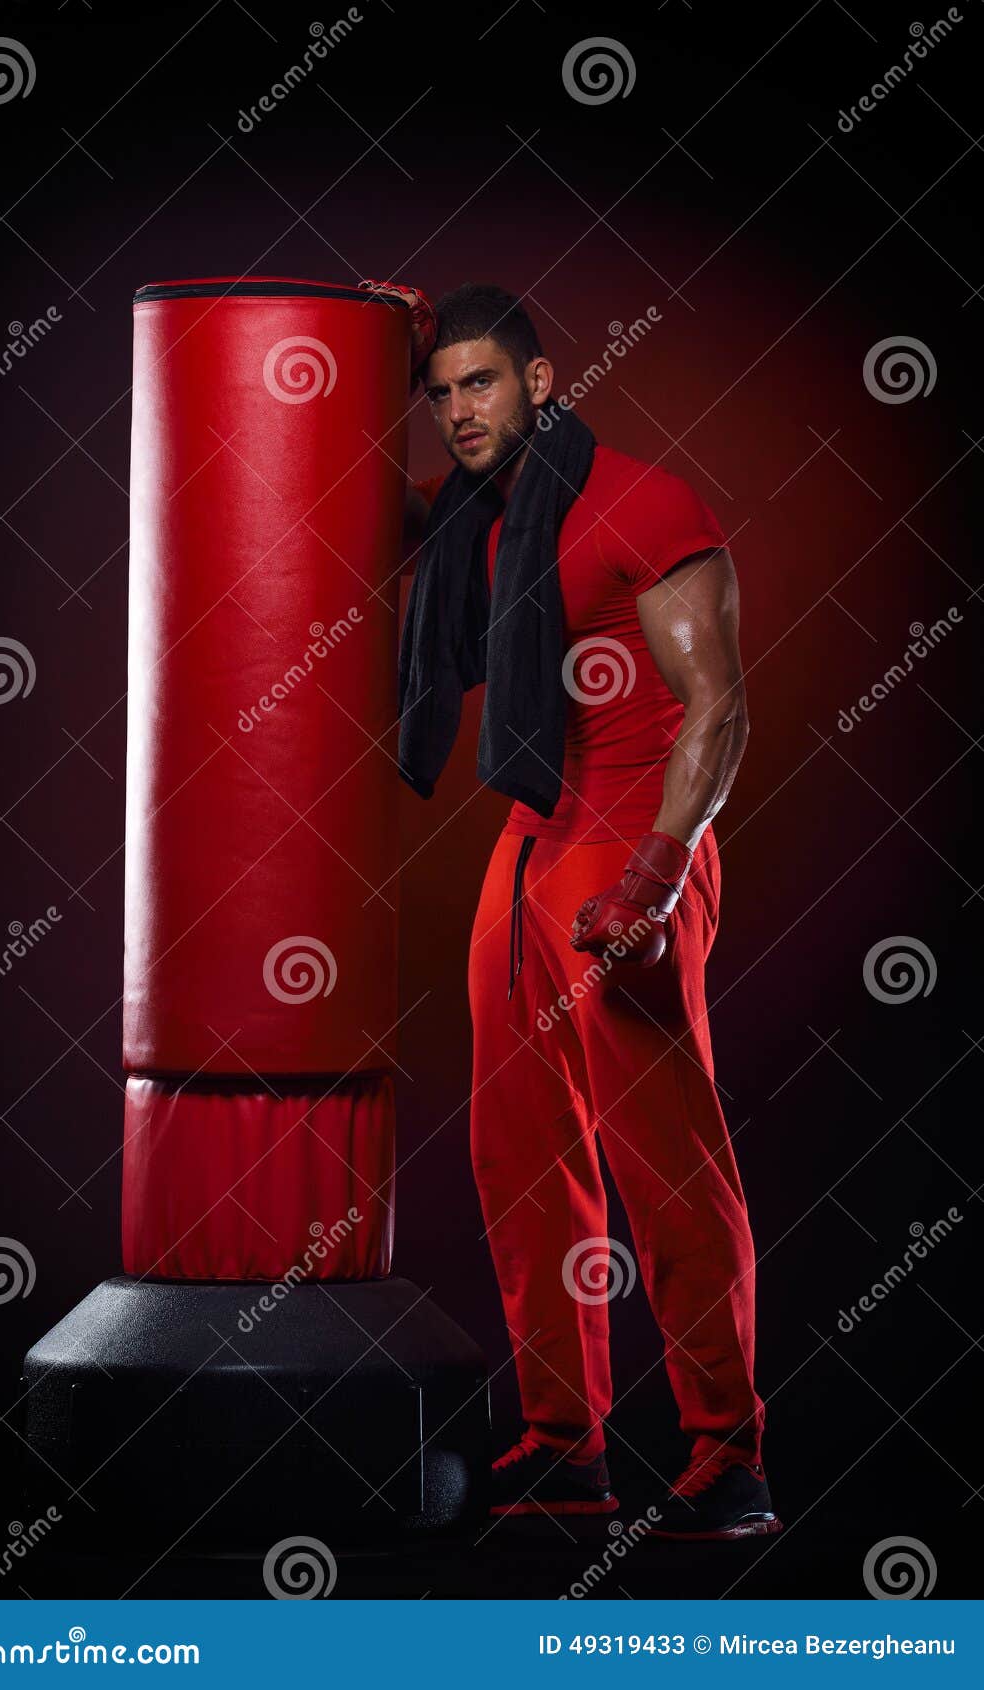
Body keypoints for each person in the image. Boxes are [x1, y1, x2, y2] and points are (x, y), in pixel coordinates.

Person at [384, 279, 779, 1540]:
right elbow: (340, 506)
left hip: (635, 840)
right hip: (529, 845)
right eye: (438, 391)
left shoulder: (642, 503)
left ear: (543, 382)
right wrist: (348, 360)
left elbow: (719, 706)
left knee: (667, 1160)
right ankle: (566, 1445)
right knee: (520, 1157)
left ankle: (729, 1458)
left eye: (482, 381)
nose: (457, 410)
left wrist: (659, 877)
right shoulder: (474, 523)